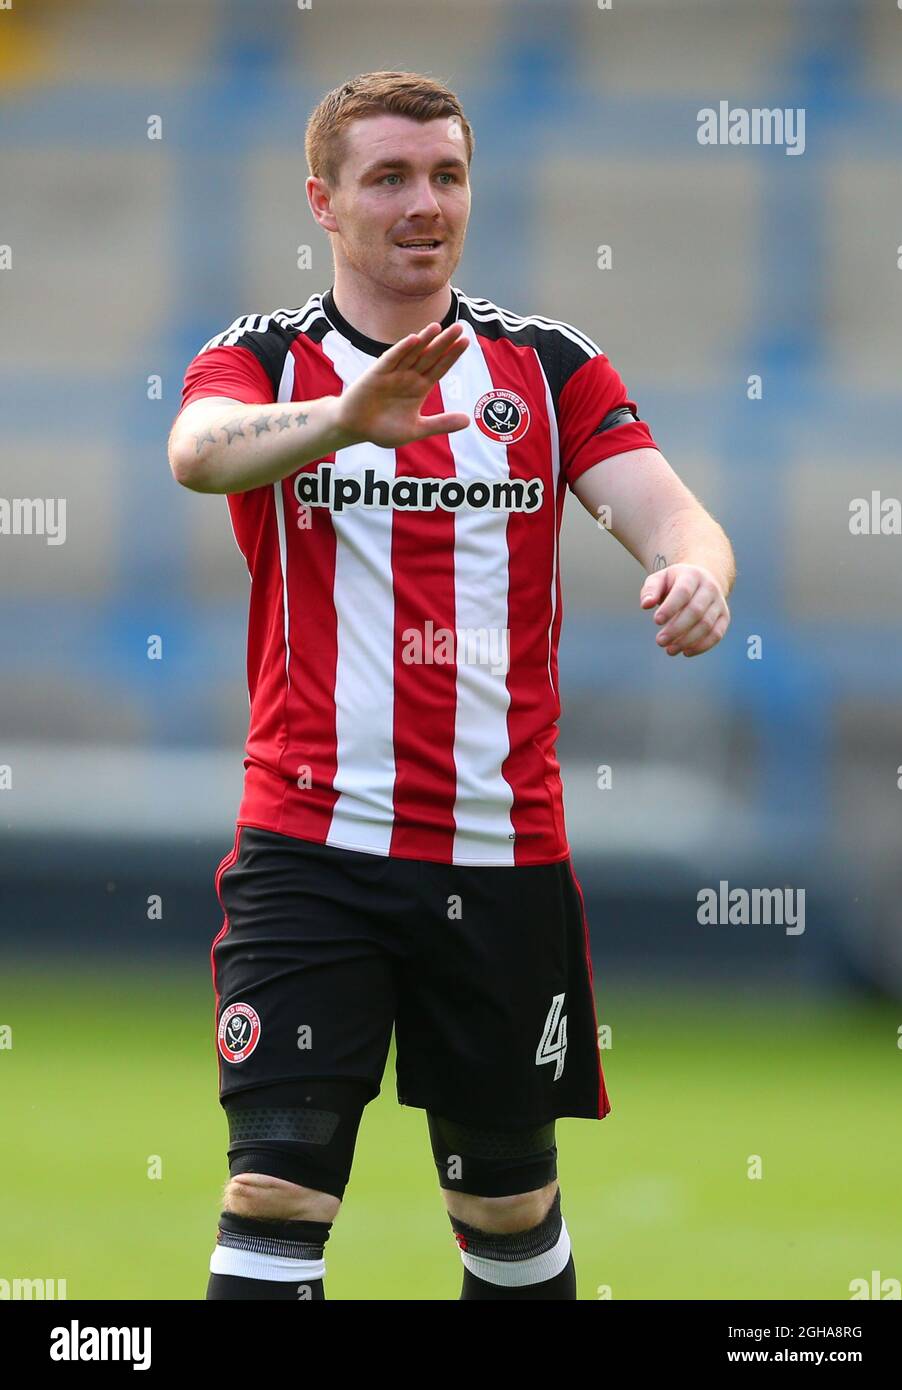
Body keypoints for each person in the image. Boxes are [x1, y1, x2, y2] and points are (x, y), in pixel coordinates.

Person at [167, 70, 735, 1301]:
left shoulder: (545, 366)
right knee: (275, 1185)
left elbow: (676, 517)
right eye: (389, 177)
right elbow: (197, 456)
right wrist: (342, 420)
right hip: (309, 849)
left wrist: (695, 575)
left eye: (447, 176)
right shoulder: (262, 359)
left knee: (507, 1204)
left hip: (501, 855)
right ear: (323, 200)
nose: (424, 203)